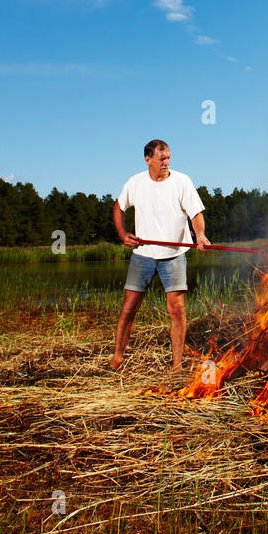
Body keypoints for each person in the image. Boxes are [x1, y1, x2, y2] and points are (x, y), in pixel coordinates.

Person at [109, 139, 209, 372]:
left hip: (174, 255)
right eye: (162, 158)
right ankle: (117, 358)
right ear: (148, 159)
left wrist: (200, 235)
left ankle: (176, 366)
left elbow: (195, 213)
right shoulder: (136, 183)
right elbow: (118, 207)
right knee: (129, 307)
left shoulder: (182, 181)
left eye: (168, 157)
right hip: (142, 255)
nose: (166, 162)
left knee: (177, 309)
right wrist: (123, 234)